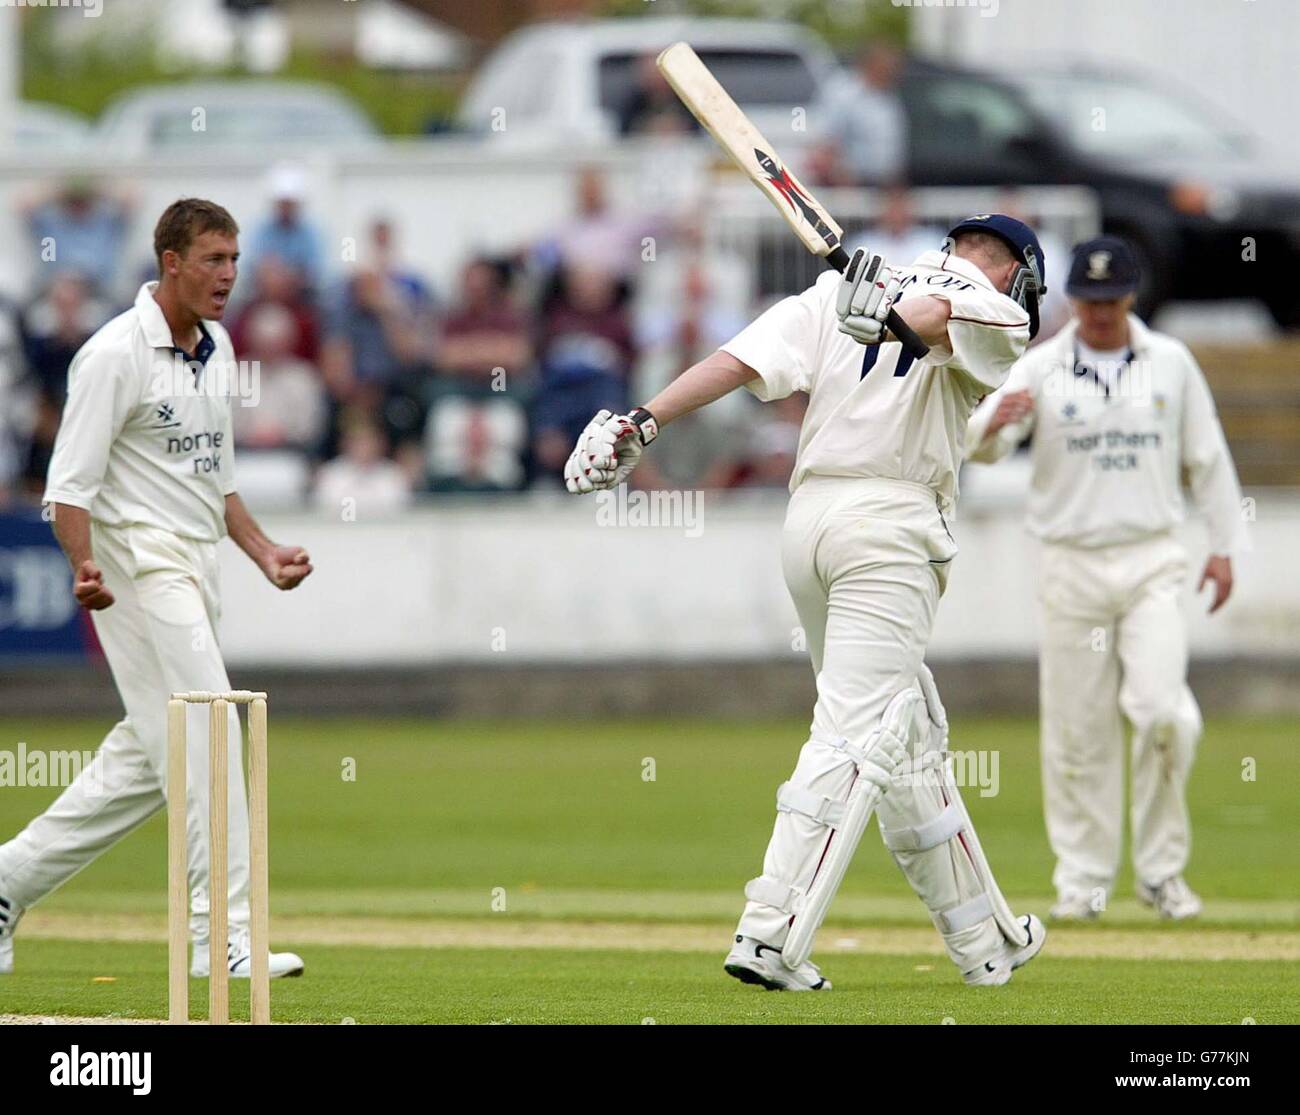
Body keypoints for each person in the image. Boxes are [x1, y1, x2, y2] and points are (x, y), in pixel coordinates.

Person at [565, 215, 1051, 990]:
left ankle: (984, 937)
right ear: (1014, 271)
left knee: (908, 733)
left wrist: (643, 420)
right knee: (859, 733)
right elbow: (939, 316)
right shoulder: (990, 302)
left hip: (810, 526)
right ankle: (770, 932)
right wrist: (890, 316)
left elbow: (739, 360)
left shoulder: (840, 292)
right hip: (888, 527)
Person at [0, 199, 310, 981]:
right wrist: (82, 564)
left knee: (149, 757)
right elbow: (69, 488)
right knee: (212, 725)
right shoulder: (113, 354)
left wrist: (263, 550)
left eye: (235, 259)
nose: (230, 275)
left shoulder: (221, 346)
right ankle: (222, 933)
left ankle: (6, 883)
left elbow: (218, 484)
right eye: (214, 259)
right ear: (170, 261)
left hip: (195, 567)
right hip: (137, 568)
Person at [965, 236, 1246, 921]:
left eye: (1110, 301)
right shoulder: (1042, 366)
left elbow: (1206, 457)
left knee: (1162, 714)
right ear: (1073, 302)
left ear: (1131, 297)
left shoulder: (1171, 363)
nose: (1098, 314)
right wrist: (993, 423)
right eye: (1087, 302)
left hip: (1151, 559)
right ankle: (1083, 881)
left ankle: (1161, 874)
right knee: (1076, 732)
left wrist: (1224, 545)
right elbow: (981, 443)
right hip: (1069, 563)